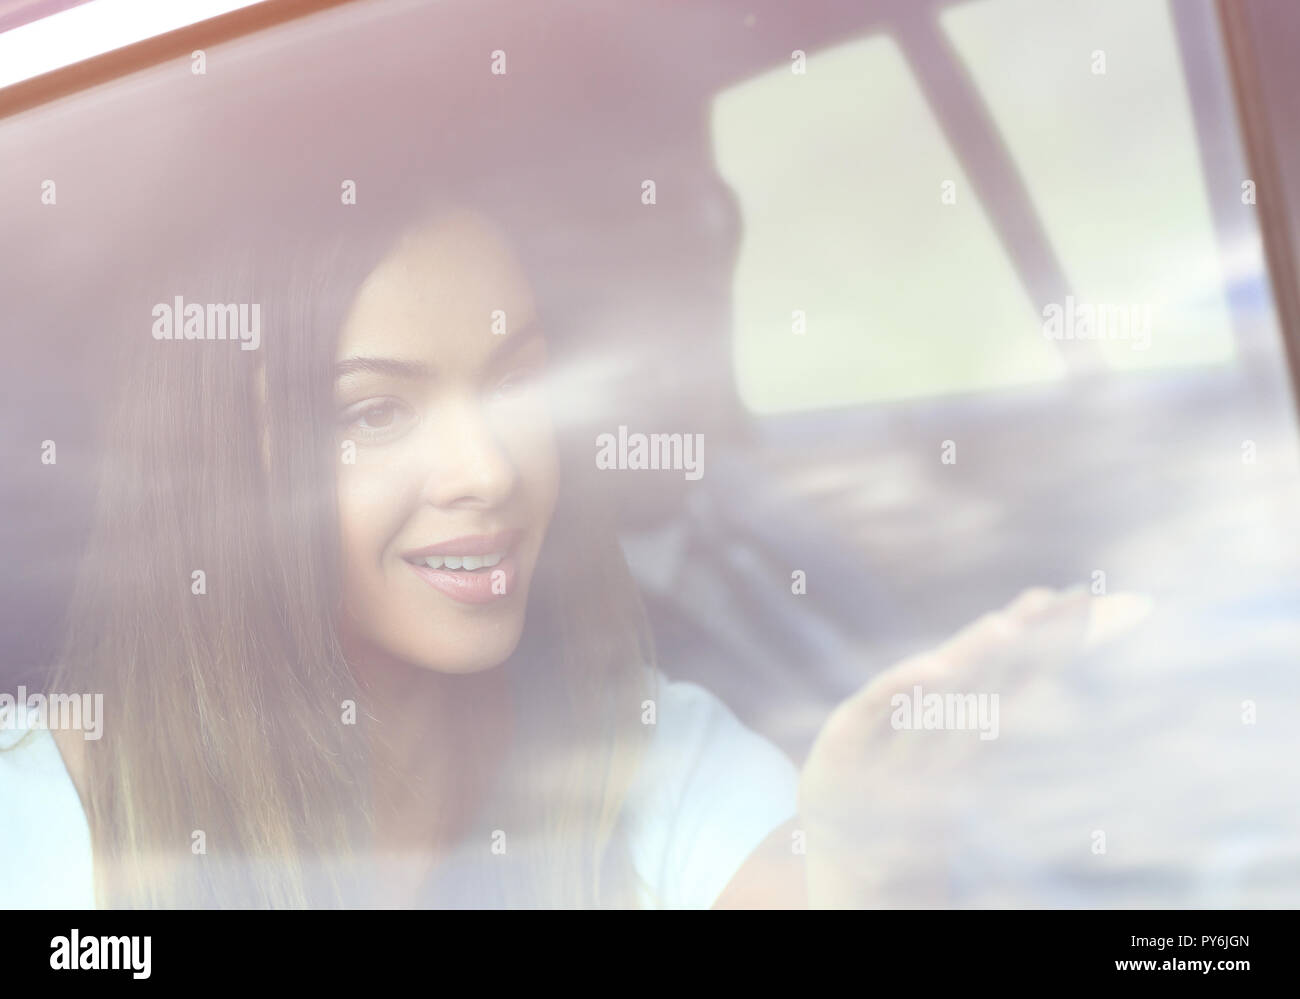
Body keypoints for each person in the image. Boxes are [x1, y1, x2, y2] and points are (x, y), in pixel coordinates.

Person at [0, 200, 1123, 909]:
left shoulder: (651, 756)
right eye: (376, 413)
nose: (488, 469)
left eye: (515, 383)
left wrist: (867, 875)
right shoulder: (35, 829)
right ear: (225, 471)